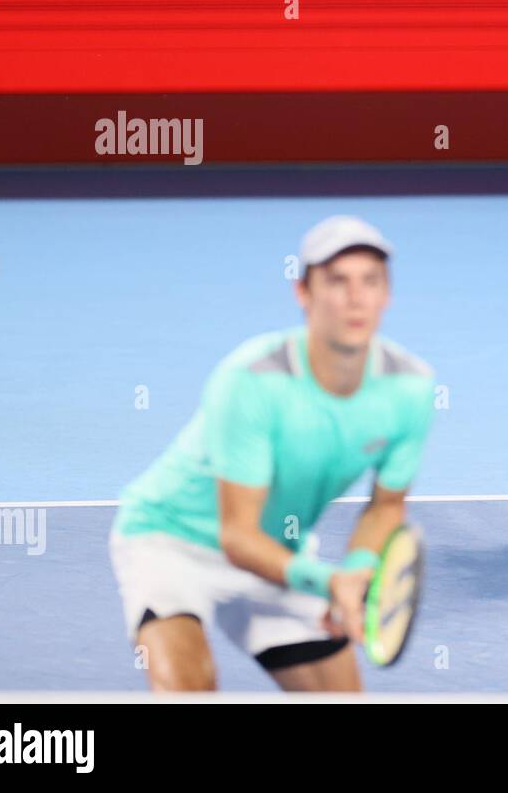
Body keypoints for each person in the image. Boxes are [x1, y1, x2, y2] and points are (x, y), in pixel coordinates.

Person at [109, 216, 435, 690]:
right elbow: (236, 536)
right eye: (337, 281)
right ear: (303, 293)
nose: (355, 298)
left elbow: (386, 507)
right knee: (190, 691)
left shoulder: (411, 389)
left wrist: (357, 574)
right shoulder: (250, 381)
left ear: (387, 294)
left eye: (371, 281)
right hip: (172, 540)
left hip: (275, 552)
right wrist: (326, 583)